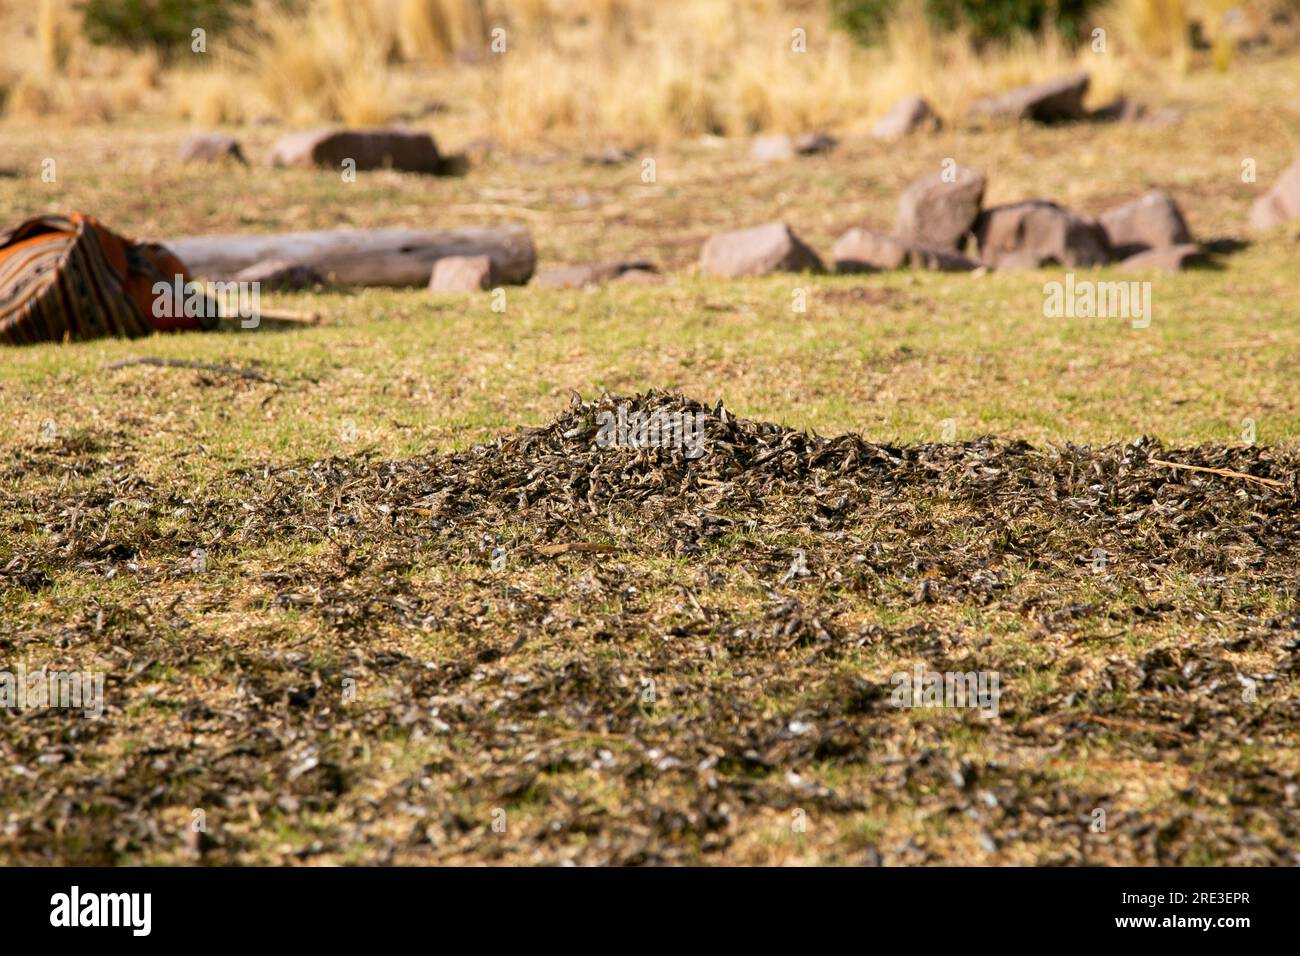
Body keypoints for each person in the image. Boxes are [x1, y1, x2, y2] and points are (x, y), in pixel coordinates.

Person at [0, 212, 215, 345]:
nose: (144, 245)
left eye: (155, 252)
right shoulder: (133, 303)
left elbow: (82, 222)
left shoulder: (135, 289)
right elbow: (204, 311)